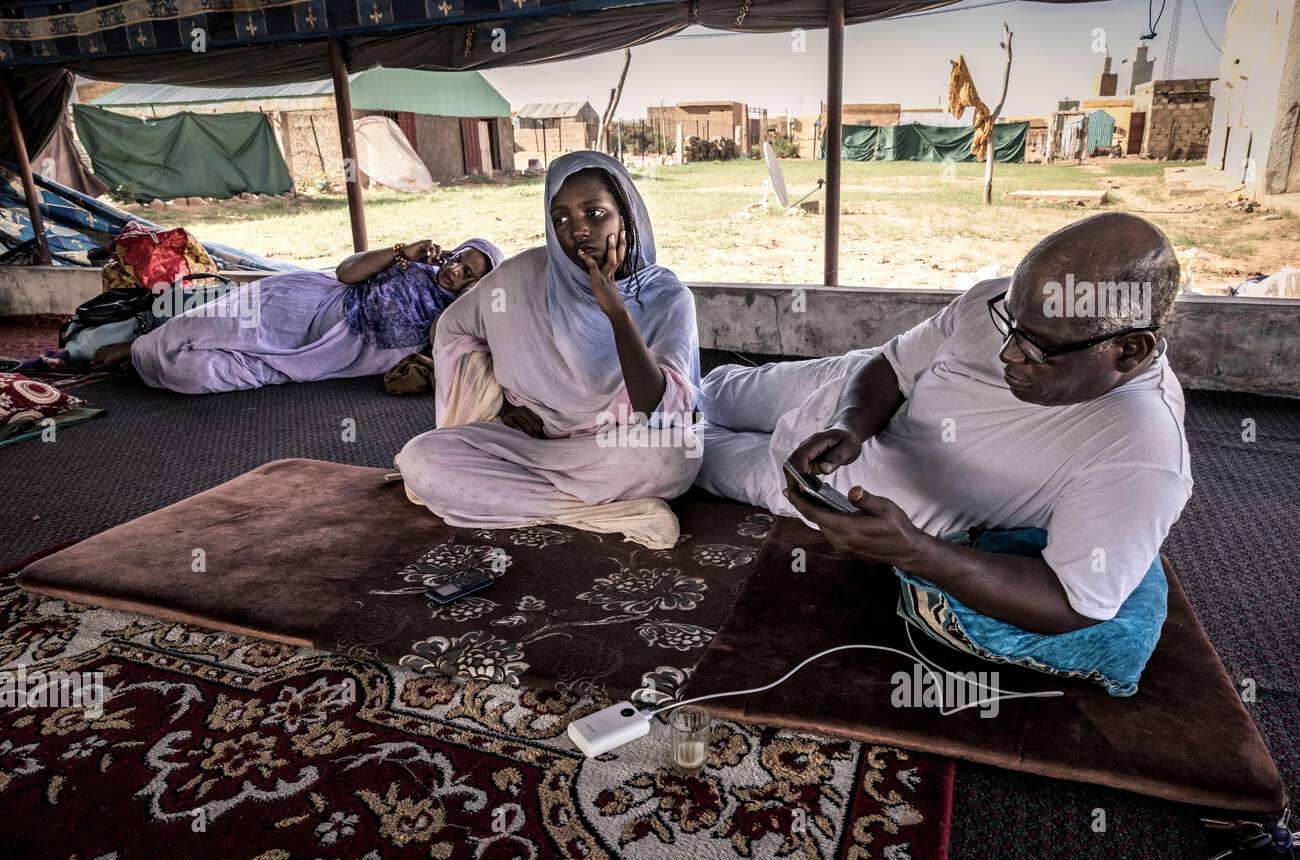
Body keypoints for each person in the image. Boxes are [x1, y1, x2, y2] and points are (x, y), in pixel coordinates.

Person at [696, 212, 1192, 633]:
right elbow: (890, 365)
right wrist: (850, 426)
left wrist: (915, 551)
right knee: (708, 391)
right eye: (1010, 325)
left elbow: (1073, 602)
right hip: (842, 389)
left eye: (1036, 347)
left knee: (680, 449)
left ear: (1129, 350)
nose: (1006, 352)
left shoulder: (1143, 450)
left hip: (828, 486)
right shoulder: (1008, 303)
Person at [397, 151, 701, 549]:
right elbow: (451, 328)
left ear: (626, 215)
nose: (578, 231)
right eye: (561, 219)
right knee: (421, 457)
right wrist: (498, 406)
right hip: (535, 445)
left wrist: (616, 311)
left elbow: (657, 412)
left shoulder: (667, 296)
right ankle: (595, 512)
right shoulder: (522, 277)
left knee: (675, 455)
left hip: (616, 445)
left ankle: (522, 498)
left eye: (594, 213)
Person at [91, 237, 503, 394]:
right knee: (211, 323)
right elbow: (346, 272)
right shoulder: (415, 264)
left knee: (195, 375)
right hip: (309, 303)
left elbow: (445, 343)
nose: (453, 270)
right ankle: (135, 348)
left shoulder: (457, 315)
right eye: (456, 259)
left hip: (326, 354)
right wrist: (403, 251)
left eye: (468, 273)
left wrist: (467, 300)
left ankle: (148, 364)